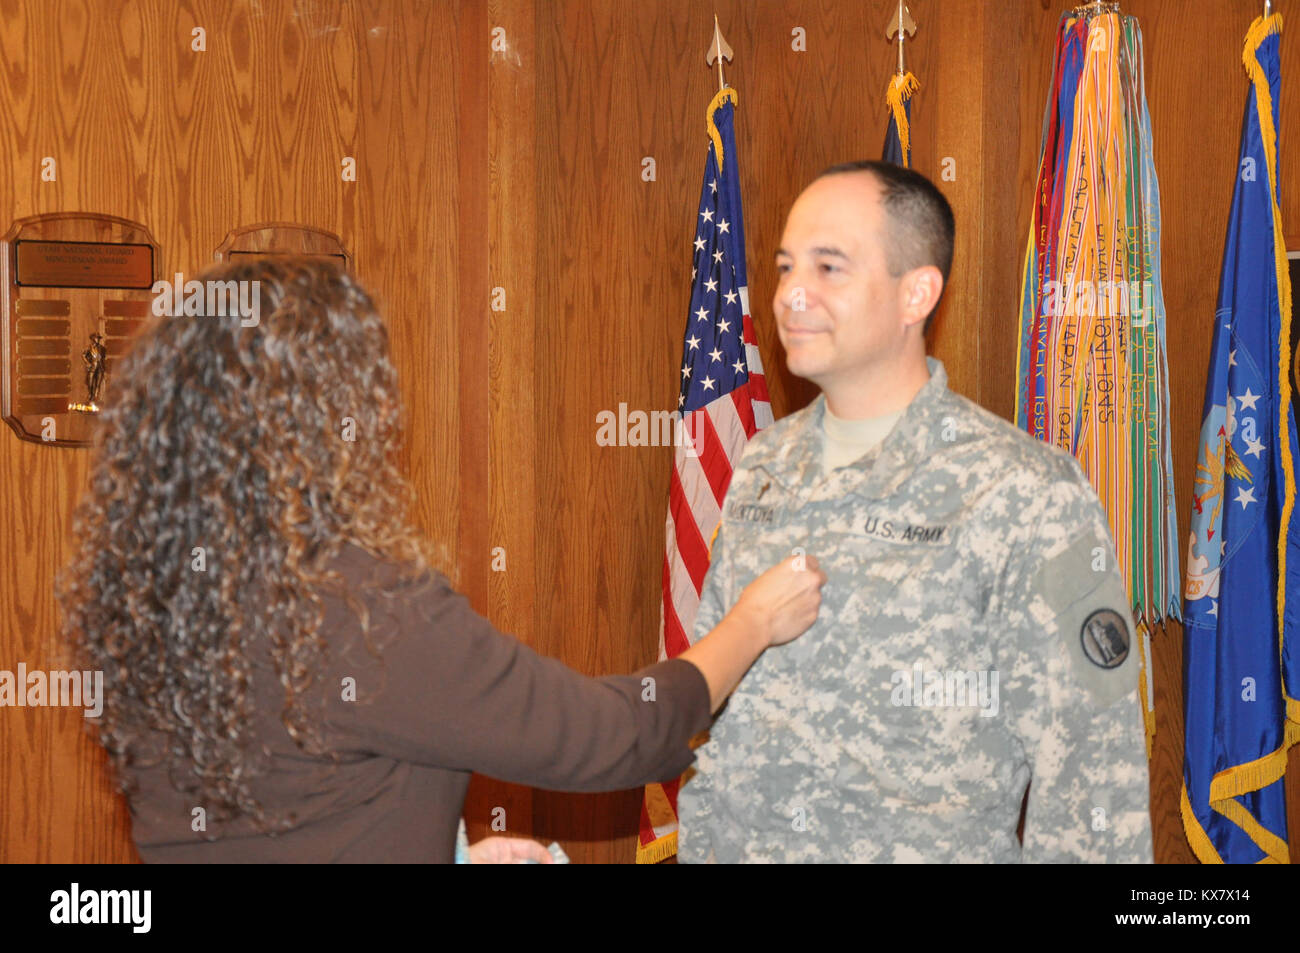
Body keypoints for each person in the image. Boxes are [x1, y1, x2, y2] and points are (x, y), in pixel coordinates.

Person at [55, 256, 825, 864]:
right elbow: (614, 735)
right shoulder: (360, 609)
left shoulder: (146, 601)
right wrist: (751, 622)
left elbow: (290, 818)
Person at [676, 160, 1154, 863]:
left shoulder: (1022, 491)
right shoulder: (763, 467)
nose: (789, 295)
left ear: (917, 293)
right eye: (783, 268)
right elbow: (715, 723)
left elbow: (1092, 783)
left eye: (828, 267)